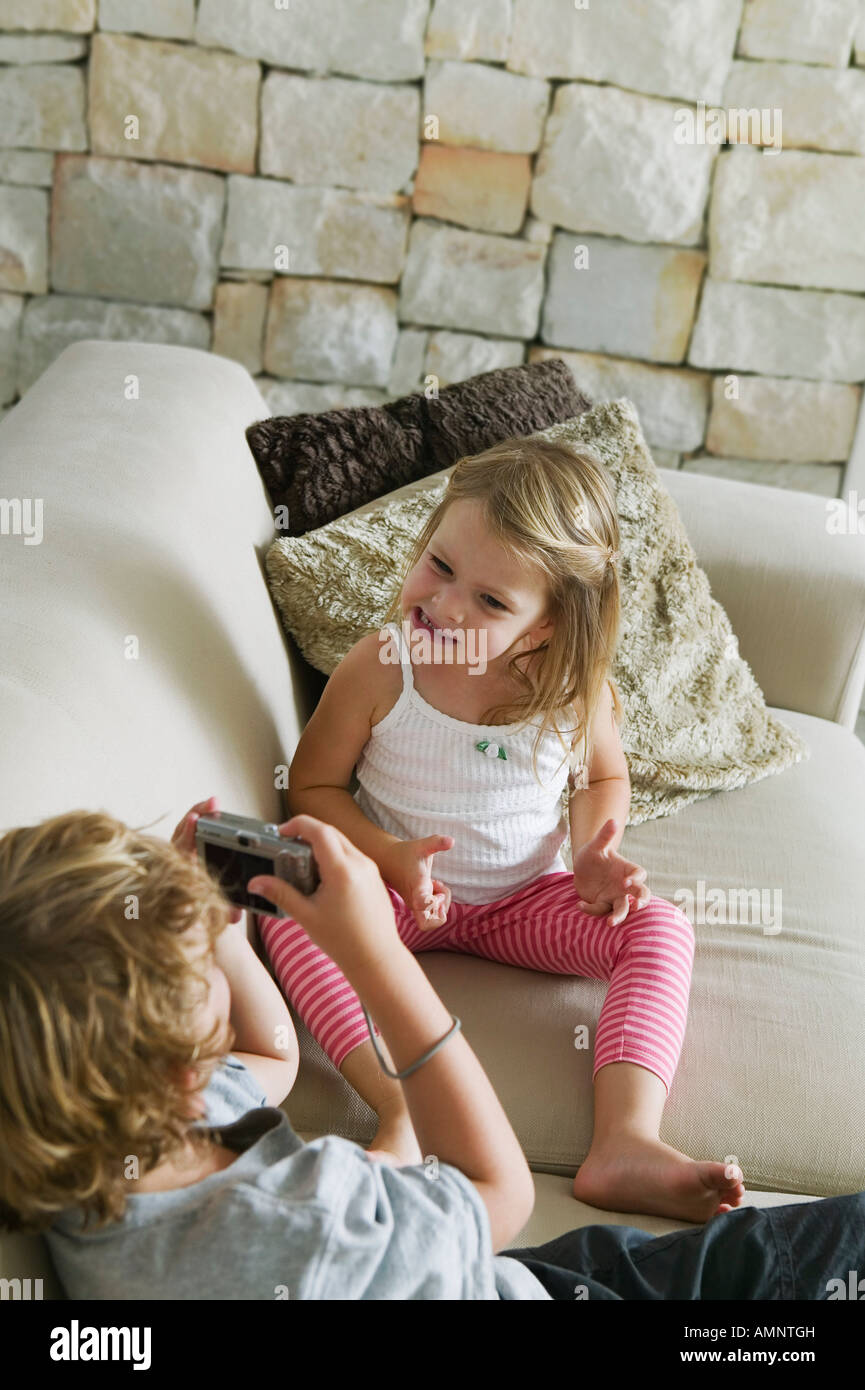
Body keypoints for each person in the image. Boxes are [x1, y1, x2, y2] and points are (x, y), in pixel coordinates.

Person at [1, 801, 860, 1301]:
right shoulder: (303, 1231)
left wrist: (220, 938)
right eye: (197, 973)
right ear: (179, 1070)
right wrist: (376, 958)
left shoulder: (95, 1161)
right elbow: (501, 1191)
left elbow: (266, 1058)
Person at [257, 437, 742, 1224]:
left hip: (524, 898)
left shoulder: (573, 694)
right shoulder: (385, 665)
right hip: (394, 894)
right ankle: (398, 1107)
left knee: (659, 930)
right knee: (283, 907)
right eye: (440, 567)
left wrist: (593, 853)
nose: (445, 606)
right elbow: (310, 788)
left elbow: (601, 780)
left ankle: (622, 1141)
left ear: (545, 627)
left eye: (490, 602)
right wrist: (388, 855)